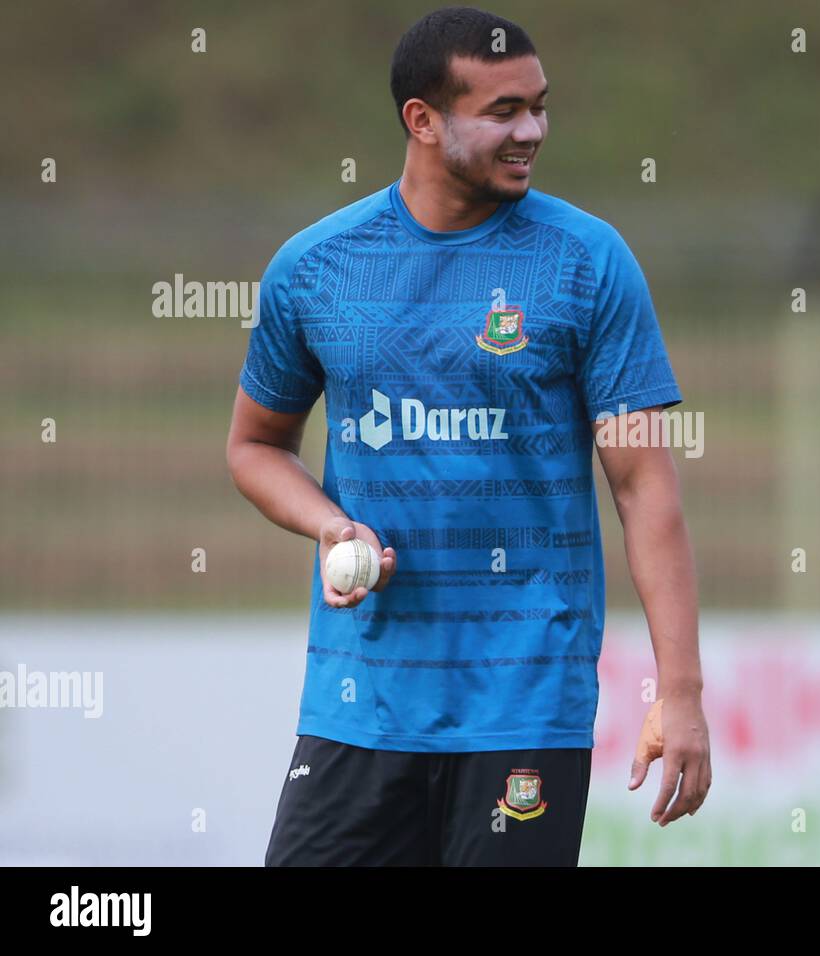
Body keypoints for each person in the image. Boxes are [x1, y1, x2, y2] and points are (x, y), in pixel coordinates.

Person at [225, 6, 709, 866]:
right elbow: (256, 446)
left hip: (524, 705)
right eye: (502, 112)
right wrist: (331, 525)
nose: (531, 131)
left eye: (539, 106)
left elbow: (643, 488)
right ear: (422, 119)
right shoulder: (316, 268)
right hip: (361, 699)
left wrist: (681, 692)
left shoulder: (589, 263)